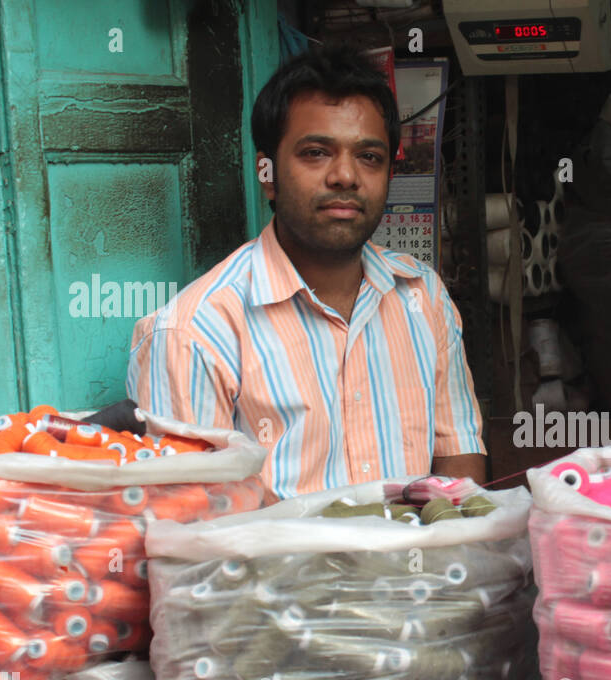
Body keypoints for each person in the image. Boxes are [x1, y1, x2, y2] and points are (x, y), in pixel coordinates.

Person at [127, 46, 485, 499]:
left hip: (418, 568)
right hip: (276, 571)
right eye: (316, 152)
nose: (345, 176)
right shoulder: (193, 332)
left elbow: (459, 455)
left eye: (369, 157)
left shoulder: (422, 296)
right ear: (268, 172)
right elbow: (197, 517)